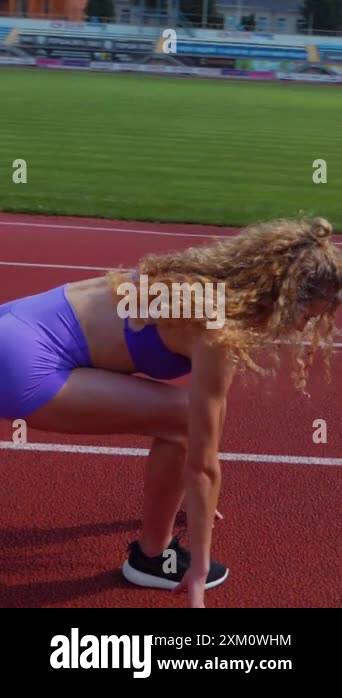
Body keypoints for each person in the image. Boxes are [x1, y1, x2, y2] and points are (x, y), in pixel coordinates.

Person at [0, 217, 341, 608]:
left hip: (14, 321)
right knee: (183, 421)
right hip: (25, 361)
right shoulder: (217, 328)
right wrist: (198, 565)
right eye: (310, 313)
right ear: (283, 293)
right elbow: (203, 459)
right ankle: (152, 557)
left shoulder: (199, 277)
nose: (307, 325)